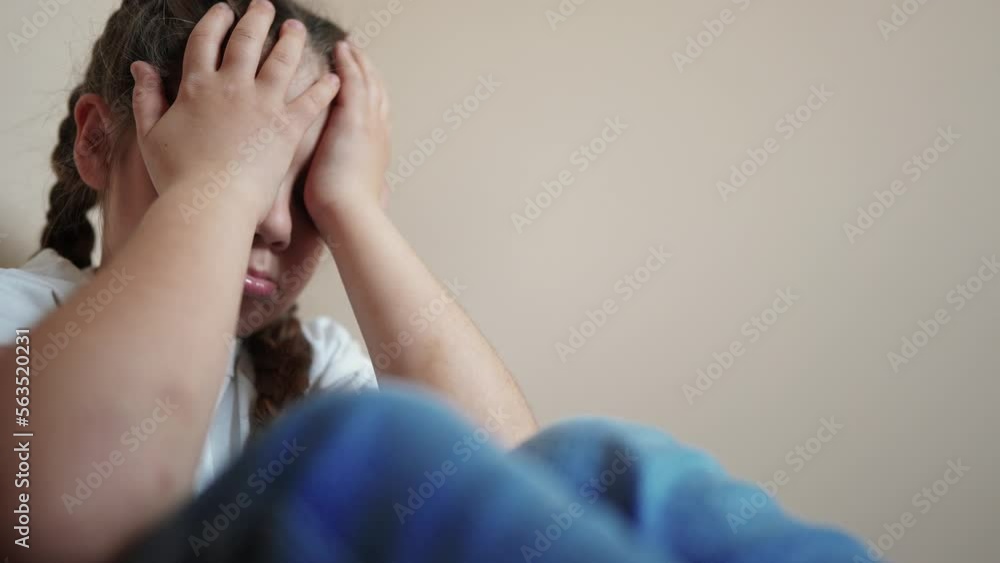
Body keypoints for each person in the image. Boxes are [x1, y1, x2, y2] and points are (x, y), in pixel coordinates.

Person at [1, 1, 869, 562]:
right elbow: (45, 524)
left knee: (607, 467)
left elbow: (518, 481)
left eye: (305, 192)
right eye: (233, 167)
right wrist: (212, 194)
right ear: (98, 141)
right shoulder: (22, 320)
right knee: (364, 447)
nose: (271, 222)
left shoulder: (312, 361)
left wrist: (357, 210)